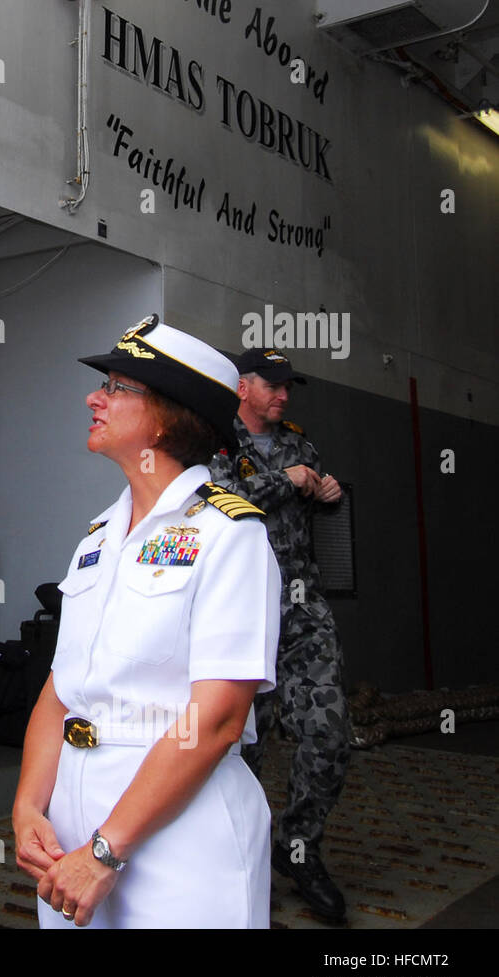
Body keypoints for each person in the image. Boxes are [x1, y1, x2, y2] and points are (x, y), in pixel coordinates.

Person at [13, 314, 281, 929]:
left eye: (116, 386)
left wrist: (107, 851)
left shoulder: (228, 536)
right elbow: (60, 691)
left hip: (177, 841)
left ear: (165, 417)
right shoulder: (99, 538)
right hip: (72, 835)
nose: (94, 397)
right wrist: (30, 806)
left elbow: (216, 719)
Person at [209, 348, 349, 923]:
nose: (284, 394)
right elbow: (215, 503)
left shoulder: (299, 441)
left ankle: (299, 847)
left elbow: (308, 509)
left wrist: (328, 495)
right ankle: (237, 858)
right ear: (242, 387)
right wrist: (282, 481)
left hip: (301, 608)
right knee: (244, 746)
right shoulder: (212, 440)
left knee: (330, 731)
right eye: (274, 385)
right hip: (240, 612)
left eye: (288, 386)